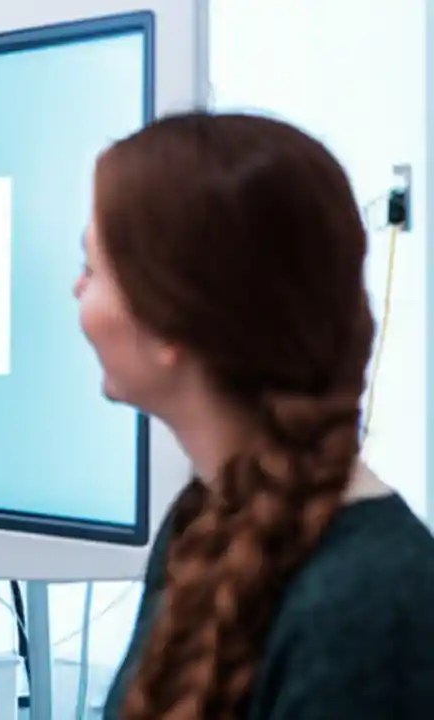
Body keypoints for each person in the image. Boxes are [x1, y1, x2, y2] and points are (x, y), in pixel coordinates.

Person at [74, 111, 434, 719]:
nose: (77, 292)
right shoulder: (208, 519)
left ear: (168, 321)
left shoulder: (377, 607)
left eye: (92, 269)